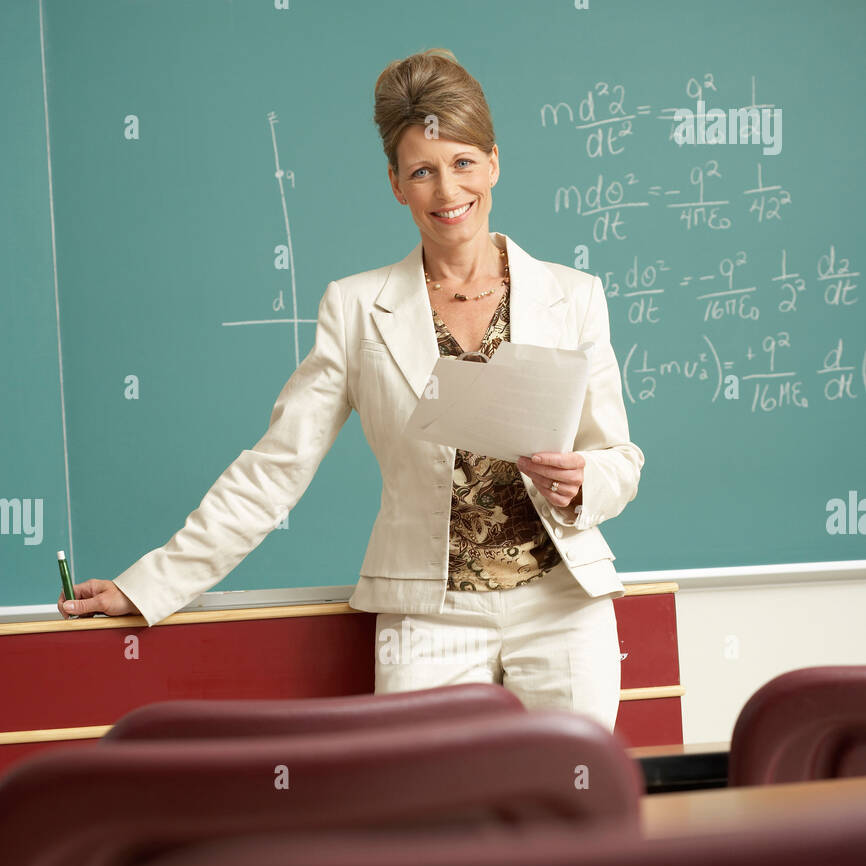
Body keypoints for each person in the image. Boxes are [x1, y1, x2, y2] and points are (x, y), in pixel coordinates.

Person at [58, 48, 643, 730]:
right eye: (422, 171)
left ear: (493, 163)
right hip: (428, 615)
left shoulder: (574, 297)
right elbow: (276, 469)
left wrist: (583, 481)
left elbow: (619, 460)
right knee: (420, 822)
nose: (447, 192)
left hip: (563, 606)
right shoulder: (356, 308)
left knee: (572, 812)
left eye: (462, 164)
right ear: (396, 183)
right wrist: (149, 584)